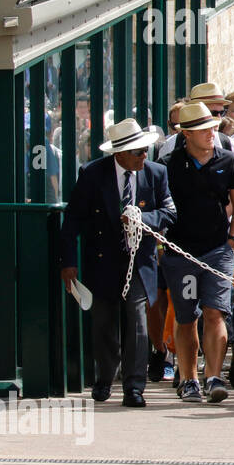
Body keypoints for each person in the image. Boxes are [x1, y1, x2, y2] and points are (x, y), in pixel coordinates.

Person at [61, 119, 176, 407]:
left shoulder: (156, 173)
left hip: (139, 262)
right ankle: (104, 377)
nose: (144, 156)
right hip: (102, 262)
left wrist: (142, 218)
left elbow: (169, 213)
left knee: (137, 323)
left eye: (145, 150)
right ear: (119, 154)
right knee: (104, 323)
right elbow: (73, 218)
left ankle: (134, 387)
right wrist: (68, 262)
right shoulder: (92, 174)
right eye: (138, 152)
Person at [158, 103, 234, 404]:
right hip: (180, 251)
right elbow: (160, 207)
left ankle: (212, 376)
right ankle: (189, 379)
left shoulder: (229, 160)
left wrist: (233, 240)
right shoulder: (169, 164)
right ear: (186, 134)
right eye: (203, 129)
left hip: (217, 250)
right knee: (186, 317)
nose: (212, 133)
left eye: (213, 126)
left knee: (215, 311)